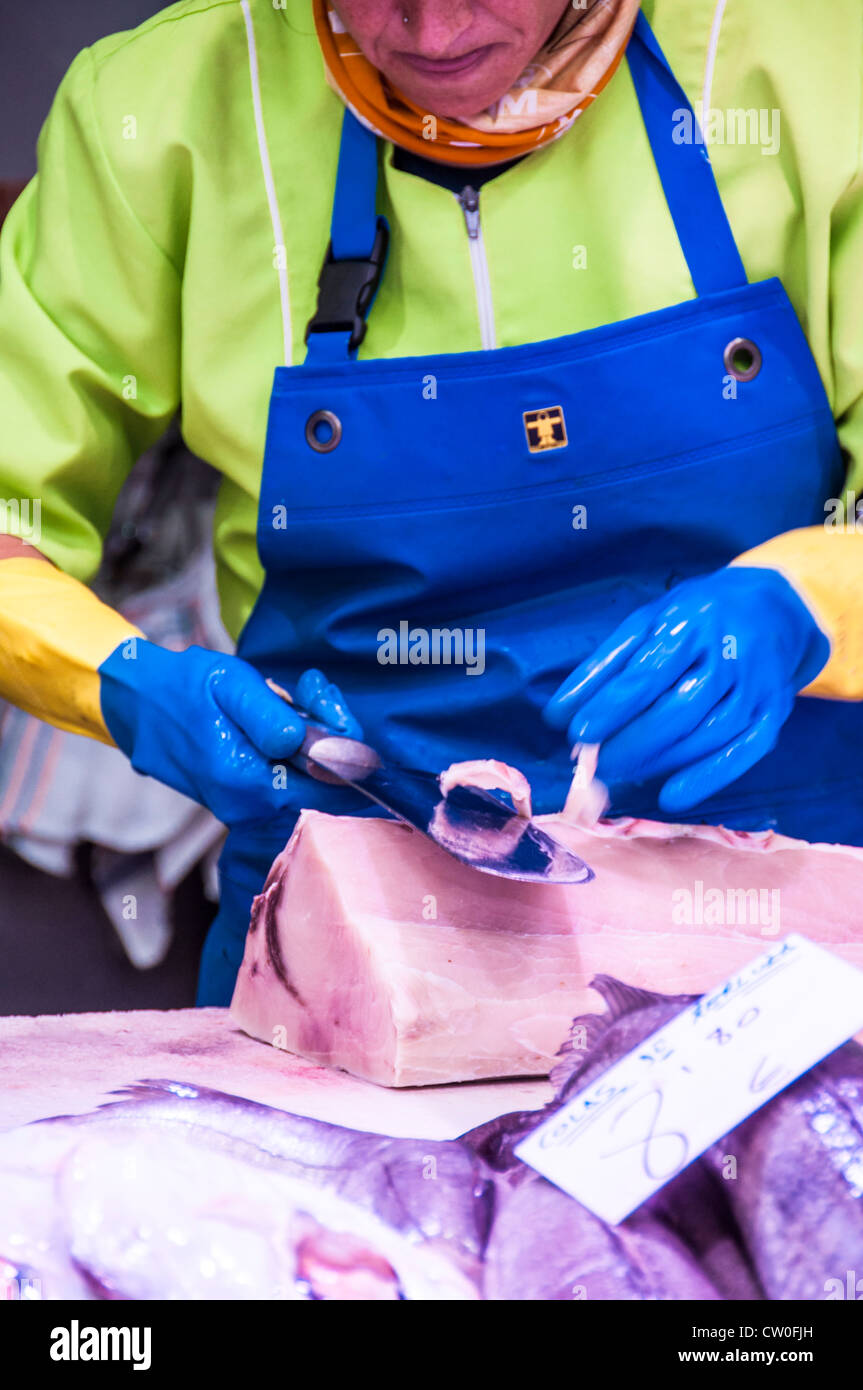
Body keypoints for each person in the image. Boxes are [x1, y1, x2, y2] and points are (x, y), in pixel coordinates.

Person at [0, 0, 861, 1006]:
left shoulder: (818, 59)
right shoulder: (162, 109)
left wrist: (802, 604)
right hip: (353, 932)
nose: (433, 32)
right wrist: (120, 680)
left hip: (789, 917)